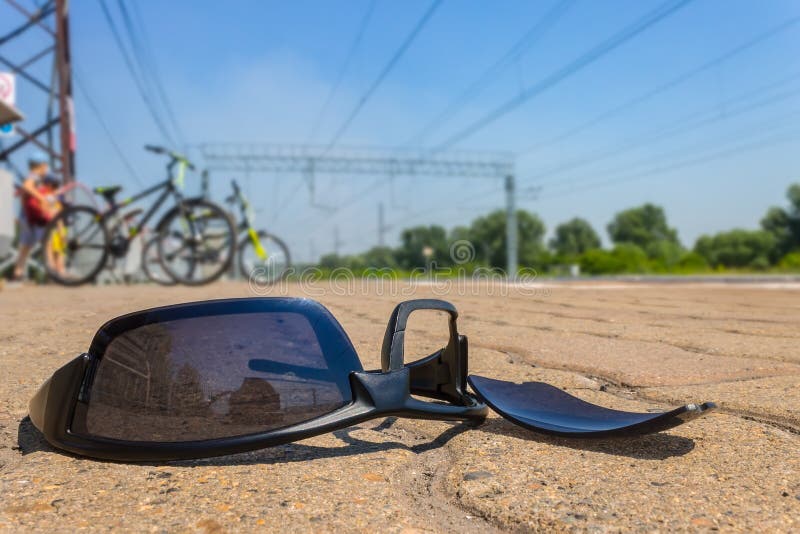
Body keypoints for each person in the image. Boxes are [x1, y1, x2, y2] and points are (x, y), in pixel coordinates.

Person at [12, 152, 58, 280]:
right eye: (46, 166)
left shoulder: (31, 176)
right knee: (46, 243)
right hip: (36, 217)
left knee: (25, 246)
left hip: (25, 216)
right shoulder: (35, 177)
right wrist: (42, 198)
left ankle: (18, 273)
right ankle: (53, 272)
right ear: (42, 165)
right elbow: (27, 186)